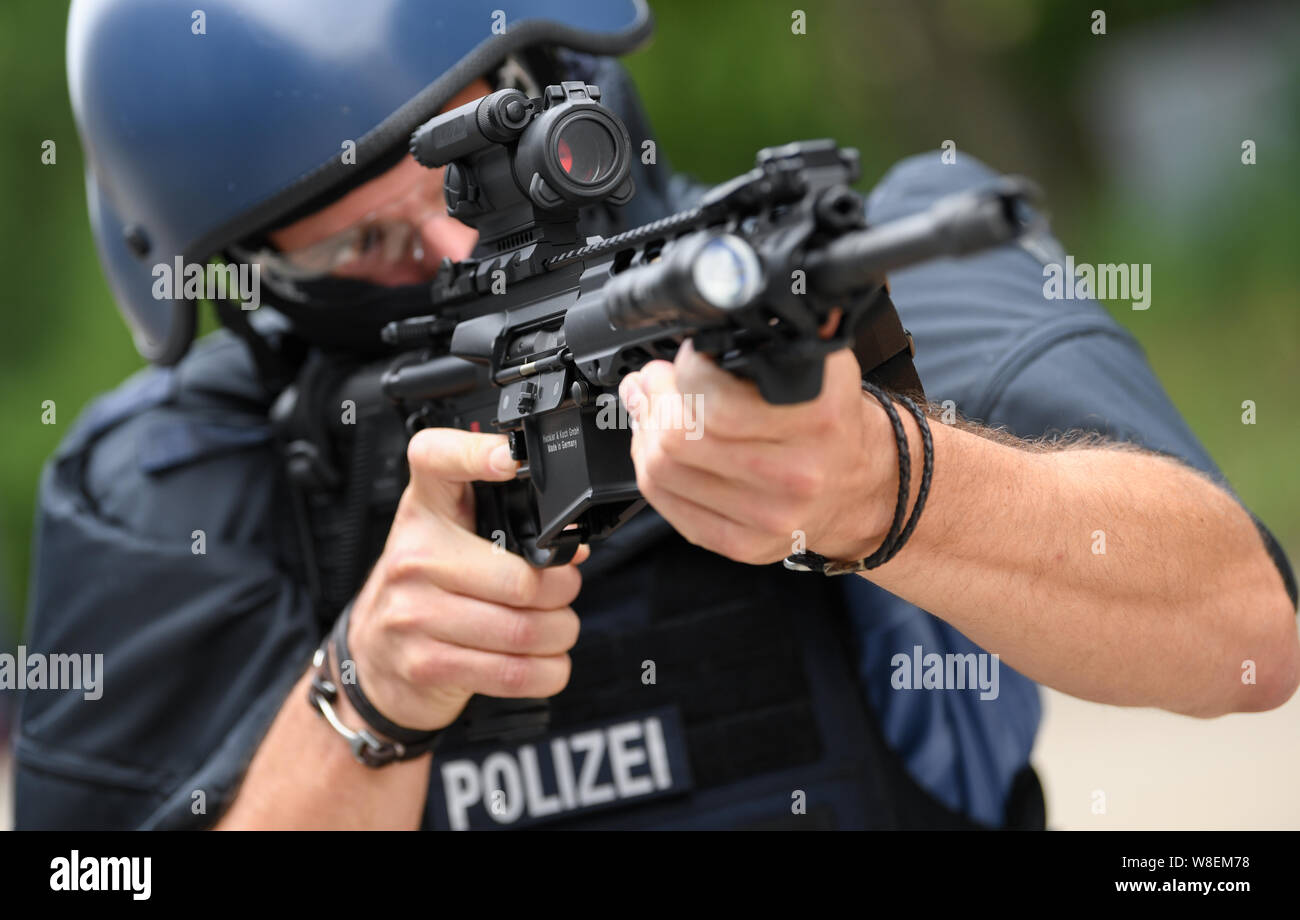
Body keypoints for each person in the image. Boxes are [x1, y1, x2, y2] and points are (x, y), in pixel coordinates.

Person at [15, 0, 1296, 831]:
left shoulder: (841, 272)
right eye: (370, 248)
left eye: (481, 172)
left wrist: (891, 490)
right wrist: (365, 701)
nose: (458, 241)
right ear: (256, 281)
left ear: (566, 81)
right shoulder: (170, 481)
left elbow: (1243, 636)